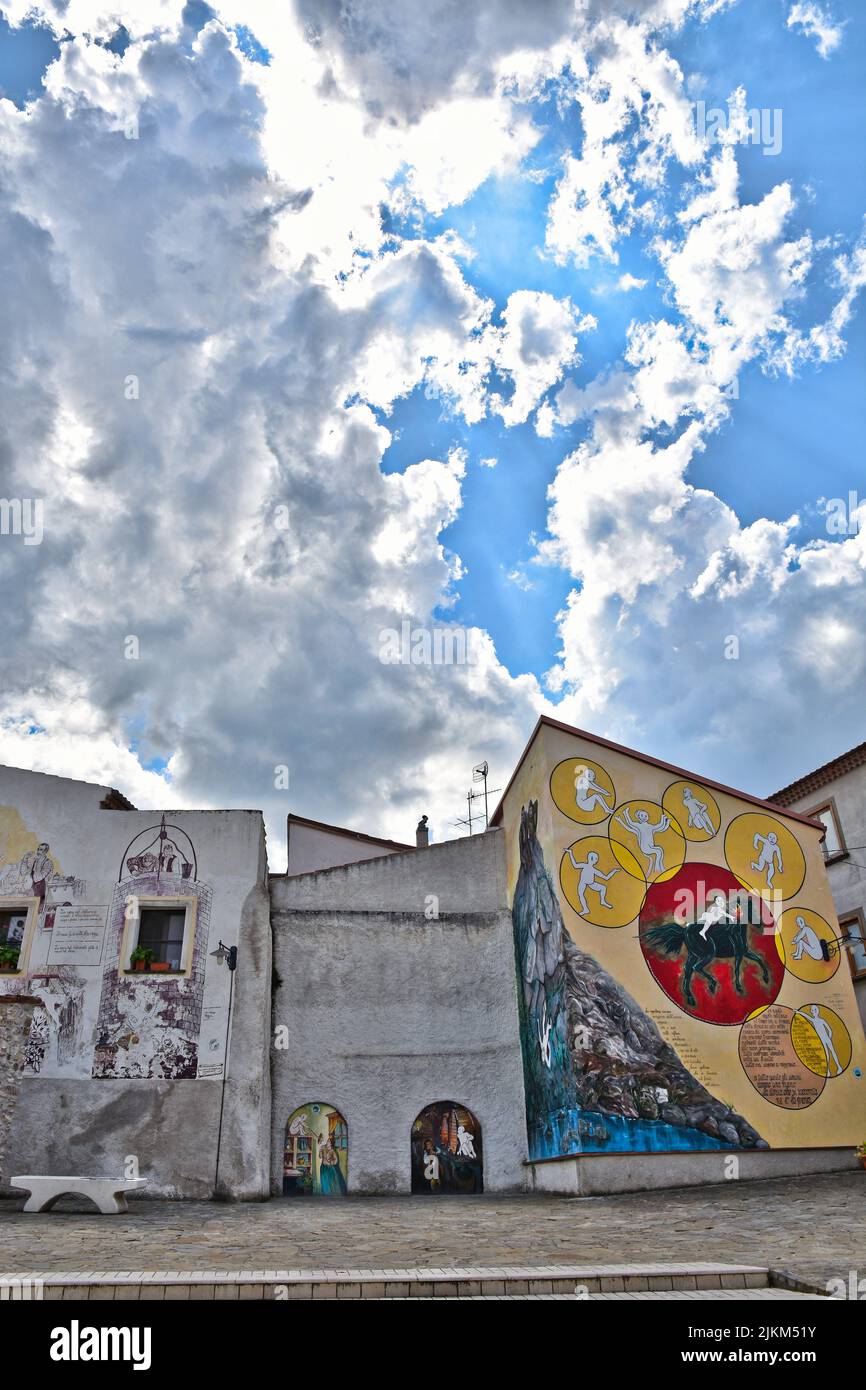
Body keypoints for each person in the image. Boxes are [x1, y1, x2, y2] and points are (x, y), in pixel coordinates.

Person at [565, 847, 618, 915]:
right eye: (596, 859)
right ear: (591, 859)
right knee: (581, 894)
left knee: (603, 888)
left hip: (591, 884)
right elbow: (575, 865)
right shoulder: (584, 866)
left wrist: (613, 871)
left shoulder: (594, 870)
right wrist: (570, 853)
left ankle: (602, 901)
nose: (597, 860)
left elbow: (606, 878)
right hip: (583, 883)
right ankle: (585, 909)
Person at [317, 1130, 347, 1195]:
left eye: (329, 1142)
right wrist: (320, 1151)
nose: (327, 1142)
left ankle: (331, 1194)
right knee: (324, 1183)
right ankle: (325, 1194)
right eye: (327, 1141)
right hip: (323, 1168)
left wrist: (330, 1162)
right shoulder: (323, 1148)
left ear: (331, 1143)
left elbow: (336, 1161)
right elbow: (320, 1157)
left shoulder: (332, 1151)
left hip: (330, 1169)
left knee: (331, 1183)